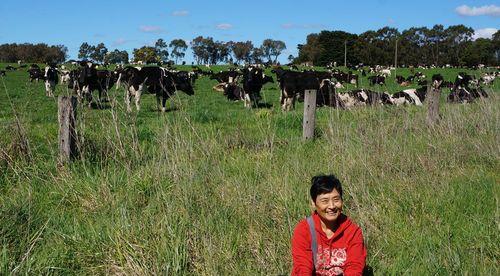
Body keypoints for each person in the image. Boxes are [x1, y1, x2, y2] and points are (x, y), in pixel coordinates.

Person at [291, 174, 366, 275]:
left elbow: (355, 267)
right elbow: (302, 267)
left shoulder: (352, 231)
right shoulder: (304, 230)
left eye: (336, 200)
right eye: (325, 201)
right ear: (313, 203)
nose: (332, 206)